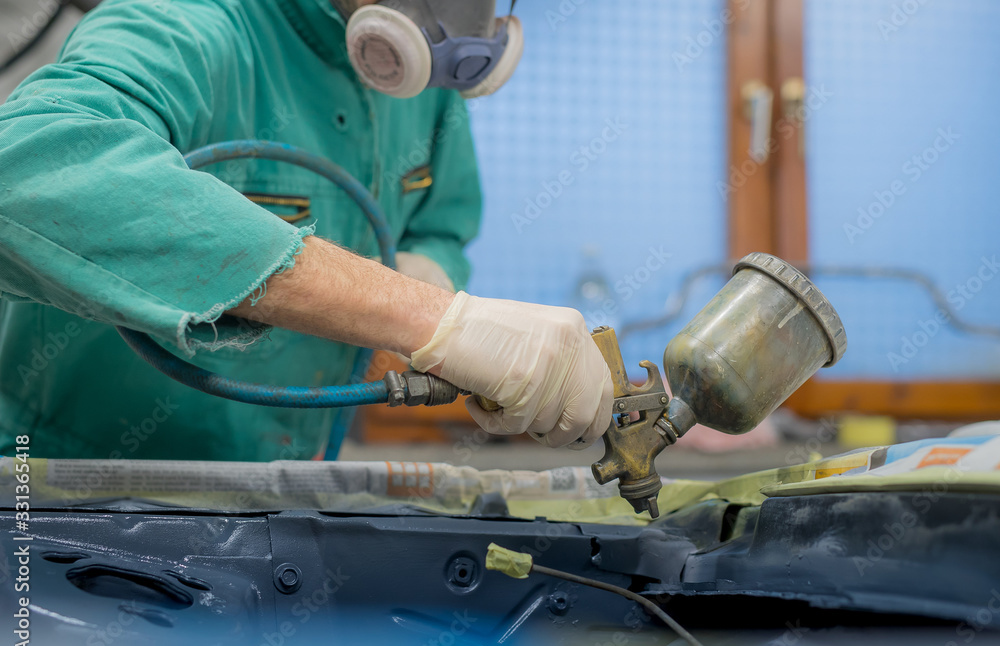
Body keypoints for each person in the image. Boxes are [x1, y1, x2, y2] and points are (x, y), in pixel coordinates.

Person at [0, 0, 613, 461]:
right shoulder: (188, 21)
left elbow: (440, 225)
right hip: (73, 485)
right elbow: (27, 168)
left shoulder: (426, 75)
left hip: (290, 479)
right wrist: (423, 316)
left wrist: (427, 273)